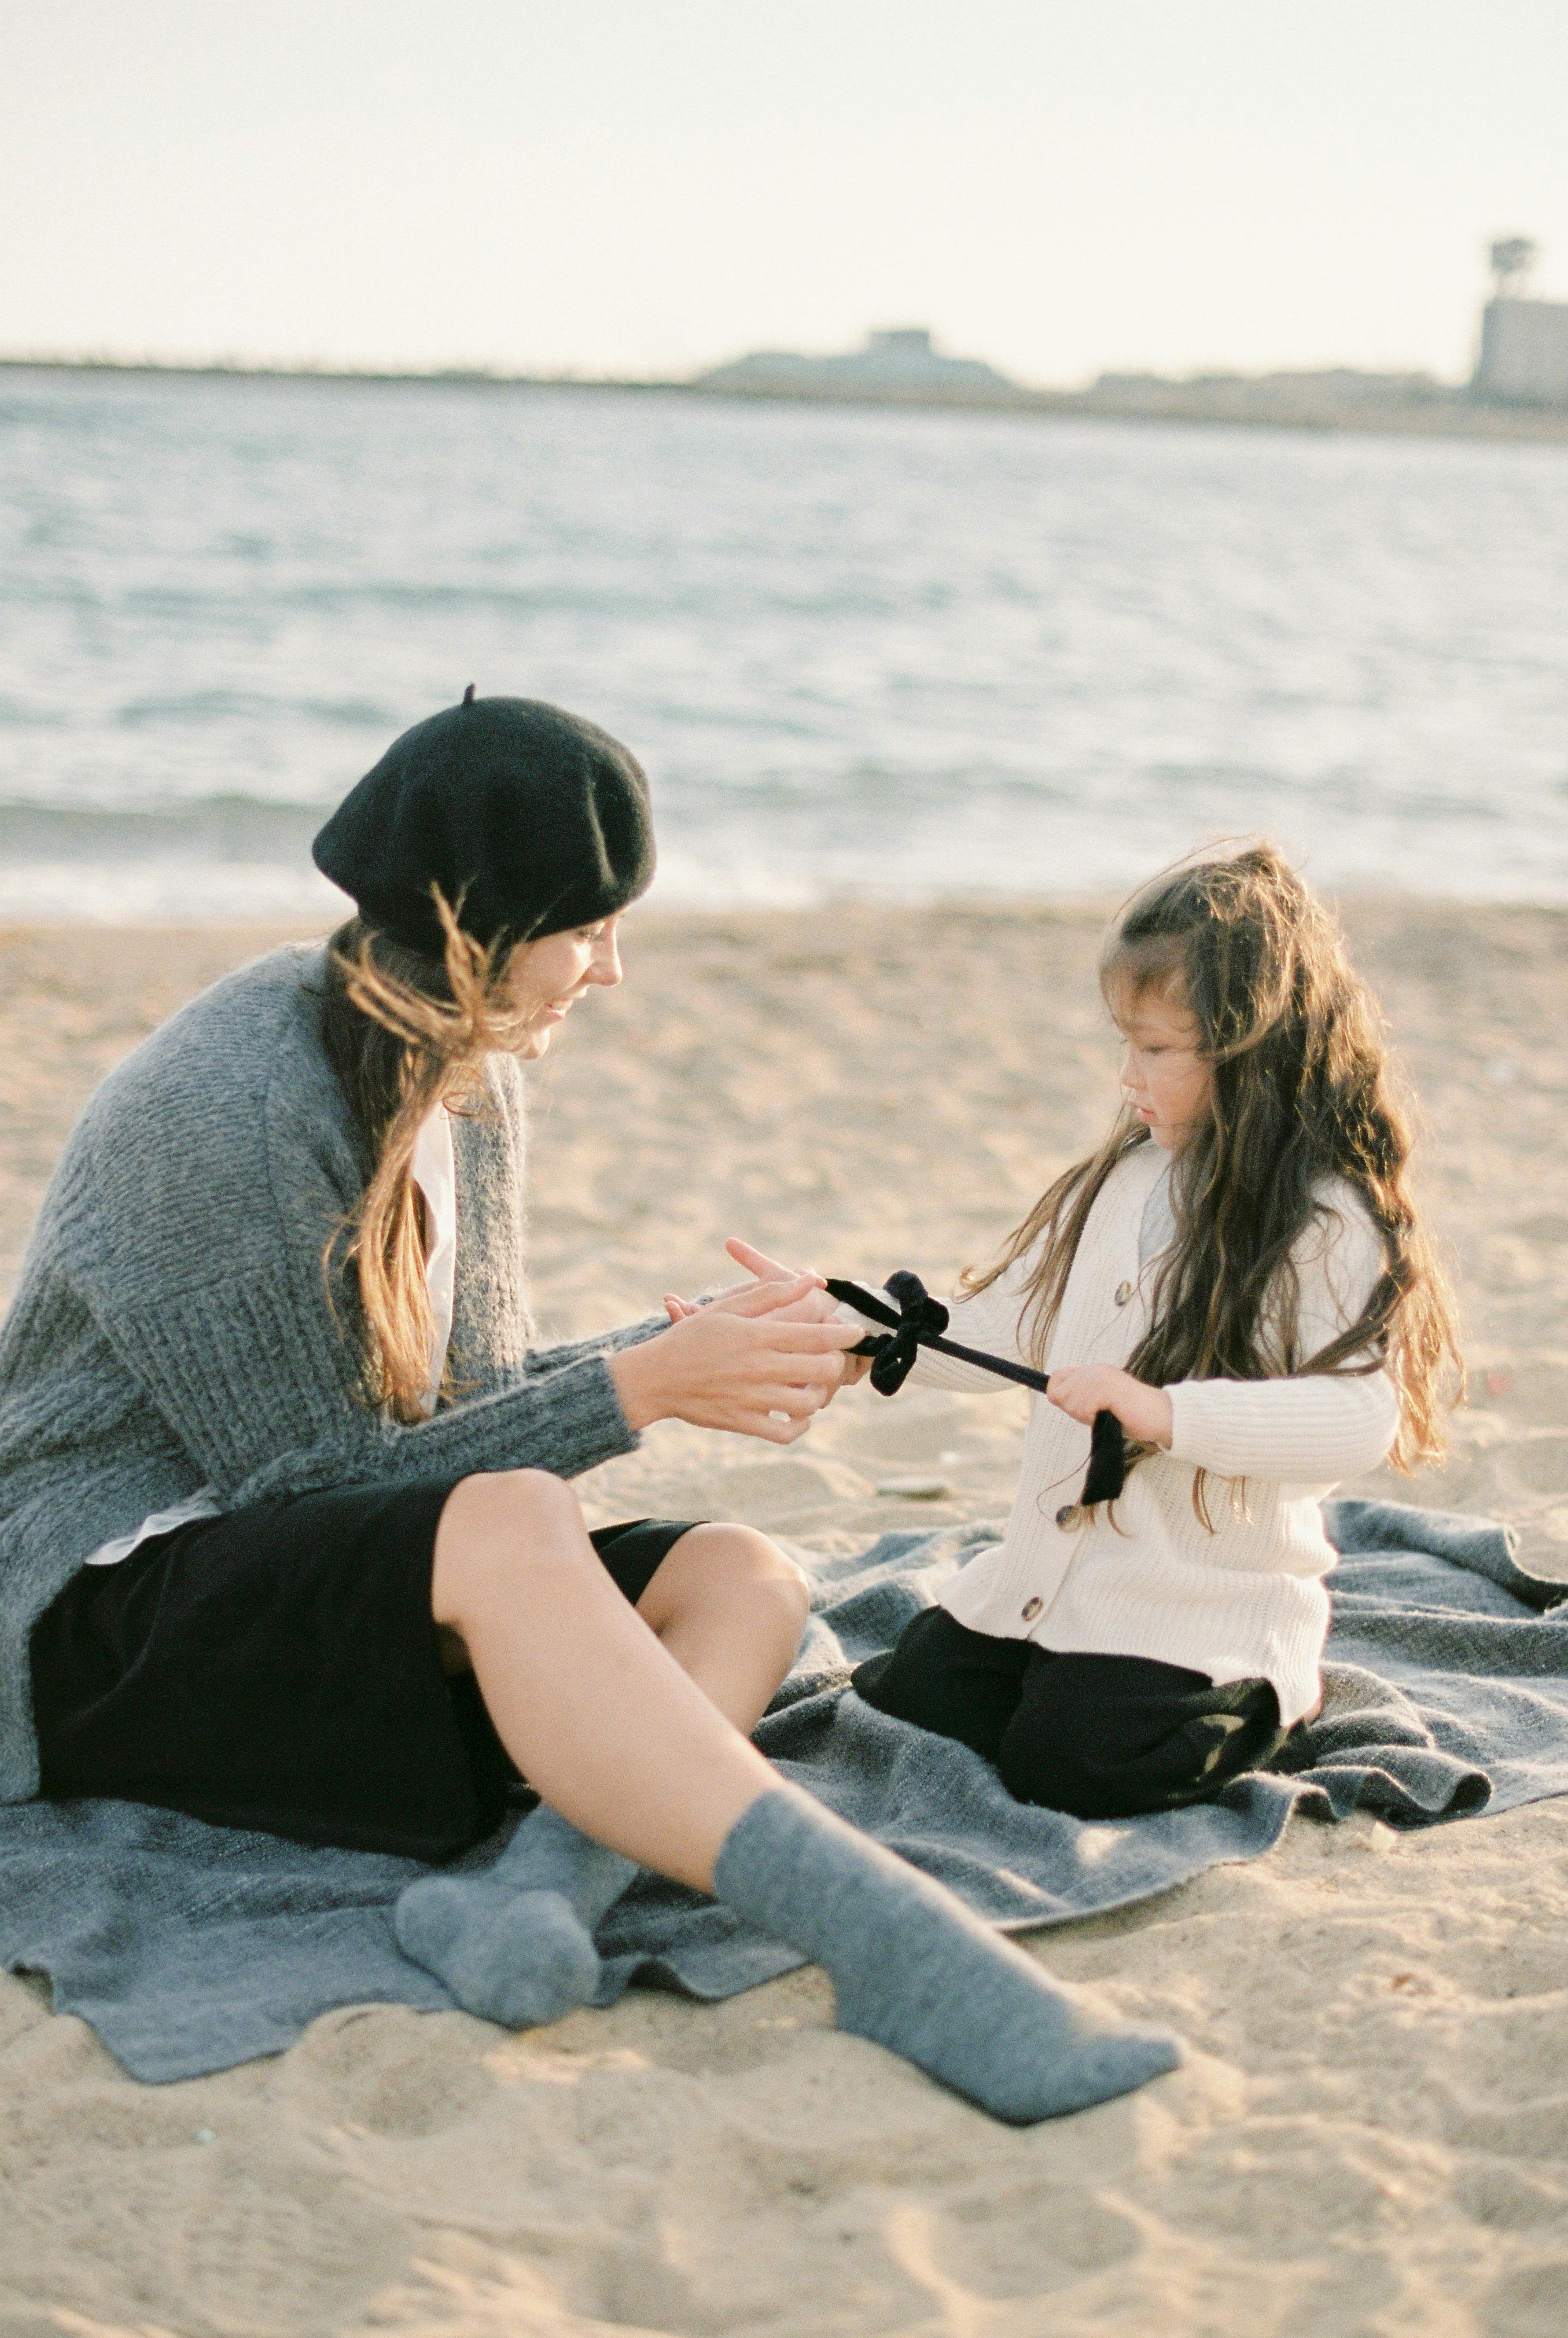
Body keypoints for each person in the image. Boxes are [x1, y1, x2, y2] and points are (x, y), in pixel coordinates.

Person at [0, 692, 1177, 2123]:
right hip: (93, 1615)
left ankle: (535, 1886)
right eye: (588, 925)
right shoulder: (231, 1103)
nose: (611, 970)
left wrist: (687, 1344)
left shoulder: (466, 1071)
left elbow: (470, 1404)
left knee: (746, 1574)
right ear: (477, 927)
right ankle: (890, 1943)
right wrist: (641, 1390)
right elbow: (308, 1486)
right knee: (518, 1519)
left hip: (295, 1595)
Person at [719, 843, 1461, 1821]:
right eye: (1124, 1043)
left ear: (1253, 1048)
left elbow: (1357, 1417)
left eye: (1155, 1049)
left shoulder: (1321, 1219)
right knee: (908, 1704)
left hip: (1197, 1606)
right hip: (1050, 1581)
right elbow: (1018, 1321)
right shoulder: (1127, 1180)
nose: (1126, 1076)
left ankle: (1269, 1695)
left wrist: (1165, 1413)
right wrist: (861, 1328)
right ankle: (1054, 1673)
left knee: (1074, 1763)